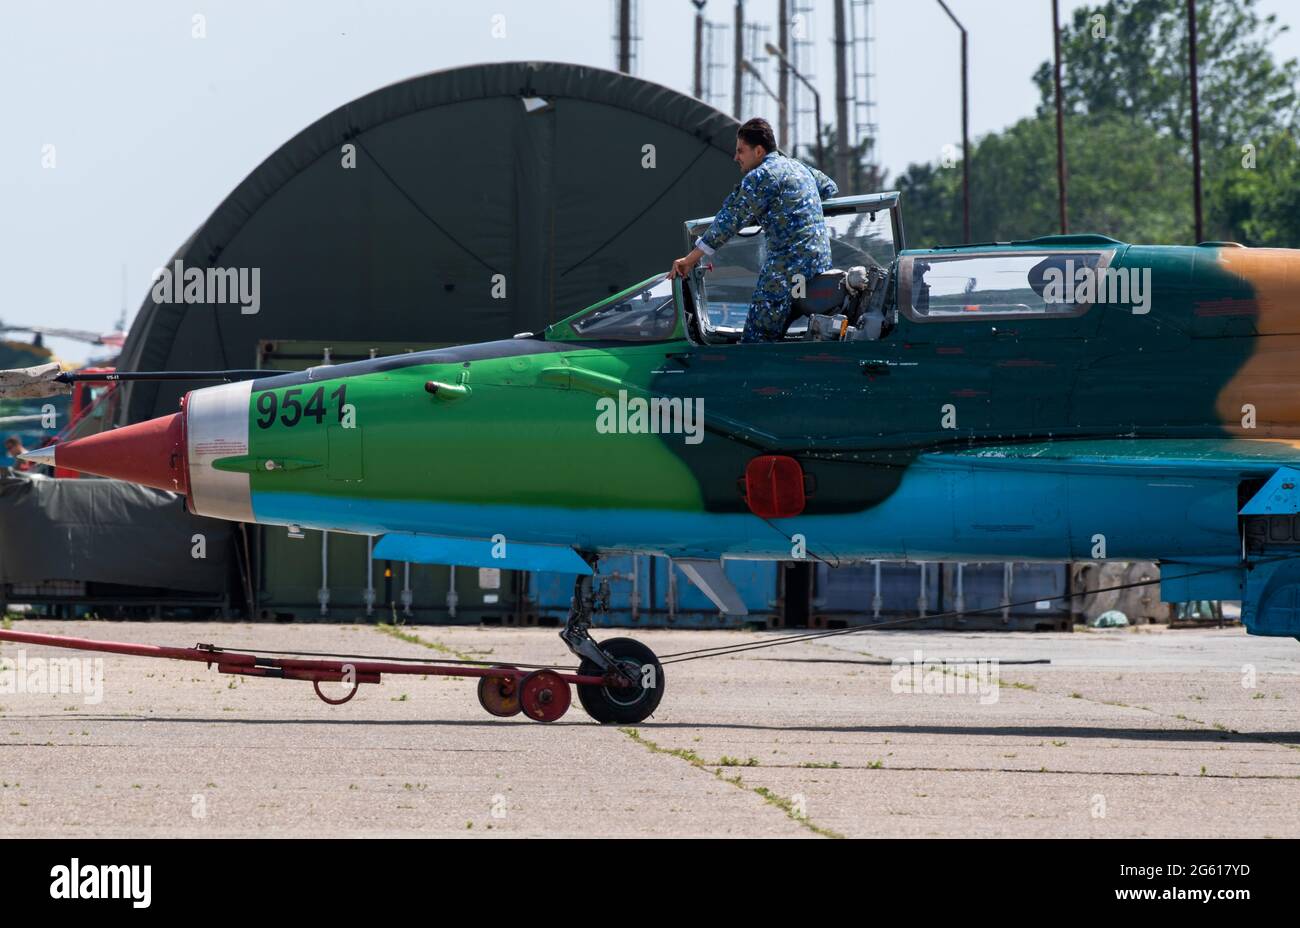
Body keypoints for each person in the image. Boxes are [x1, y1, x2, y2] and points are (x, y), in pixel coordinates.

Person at [669, 117, 838, 342]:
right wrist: (789, 206)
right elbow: (829, 187)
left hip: (786, 270)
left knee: (755, 341)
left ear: (758, 151)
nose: (735, 157)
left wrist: (690, 259)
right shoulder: (798, 167)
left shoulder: (761, 176)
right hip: (820, 264)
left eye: (741, 151)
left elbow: (728, 221)